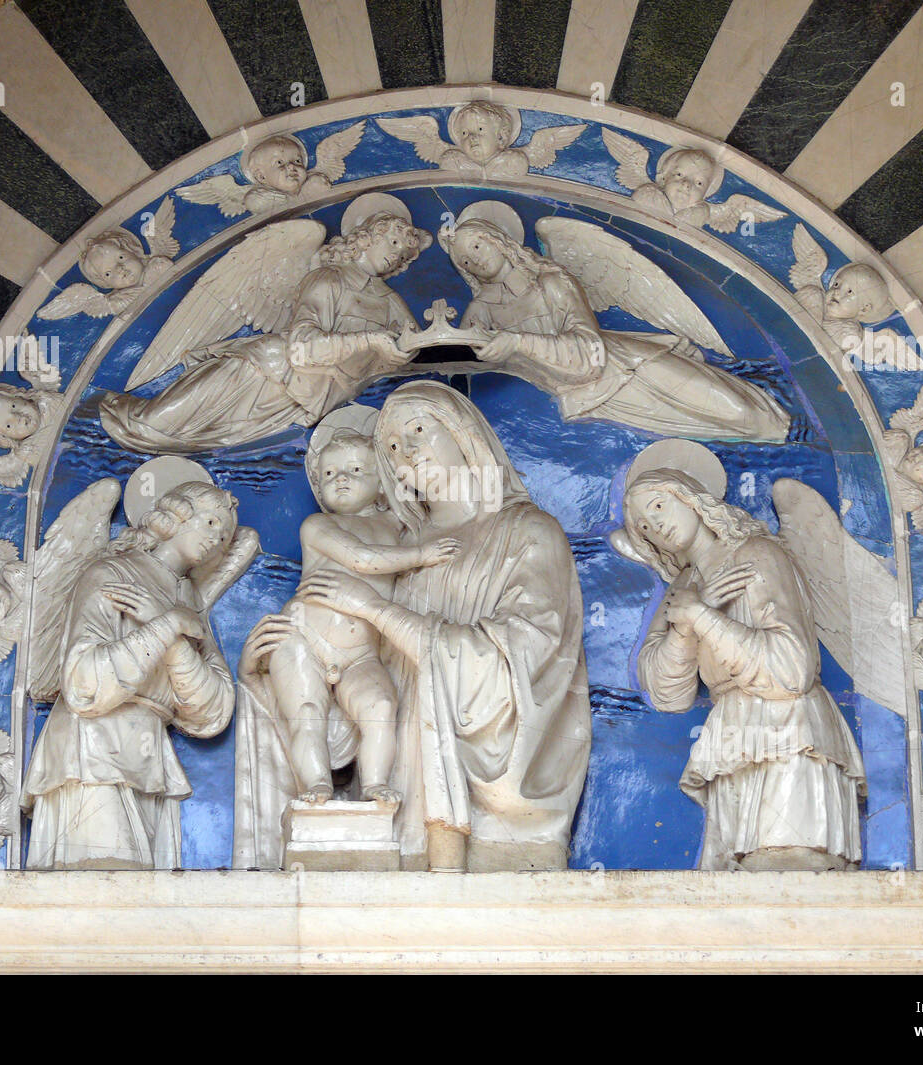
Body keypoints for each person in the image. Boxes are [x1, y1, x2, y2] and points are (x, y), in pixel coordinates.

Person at [237, 382, 592, 872]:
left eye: (420, 431)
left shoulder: (528, 533)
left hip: (488, 810)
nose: (408, 454)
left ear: (463, 433)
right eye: (393, 449)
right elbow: (339, 673)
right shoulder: (395, 548)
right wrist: (259, 672)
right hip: (397, 800)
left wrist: (379, 612)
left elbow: (522, 657)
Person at [619, 445, 866, 871]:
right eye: (643, 526)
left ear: (692, 497)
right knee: (738, 895)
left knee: (789, 879)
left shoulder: (756, 555)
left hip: (789, 735)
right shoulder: (683, 588)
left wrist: (704, 618)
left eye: (659, 505)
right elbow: (667, 694)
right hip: (734, 740)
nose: (655, 524)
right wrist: (685, 624)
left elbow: (793, 670)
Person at [20, 481, 242, 869]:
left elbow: (213, 710)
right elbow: (82, 683)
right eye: (209, 522)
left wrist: (169, 630)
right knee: (100, 887)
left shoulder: (187, 598)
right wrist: (167, 626)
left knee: (139, 901)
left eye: (223, 535)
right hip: (92, 753)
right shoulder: (111, 573)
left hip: (148, 757)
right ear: (176, 516)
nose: (216, 539)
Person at [248, 411, 459, 808]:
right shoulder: (317, 526)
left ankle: (376, 783)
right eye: (328, 475)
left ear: (383, 483)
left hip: (360, 651)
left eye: (355, 469)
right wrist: (421, 555)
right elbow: (362, 560)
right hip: (302, 638)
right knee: (307, 713)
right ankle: (316, 786)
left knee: (380, 705)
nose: (340, 478)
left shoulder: (399, 529)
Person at [98, 208, 432, 454]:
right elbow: (301, 348)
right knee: (157, 424)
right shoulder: (330, 278)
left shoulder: (390, 302)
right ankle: (140, 420)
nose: (396, 254)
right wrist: (371, 341)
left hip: (309, 398)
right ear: (368, 237)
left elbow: (410, 348)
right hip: (268, 370)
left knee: (211, 436)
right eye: (392, 241)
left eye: (403, 252)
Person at [441, 212, 789, 442]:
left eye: (476, 245)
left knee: (744, 412)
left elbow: (589, 355)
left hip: (625, 364)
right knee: (725, 430)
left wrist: (517, 343)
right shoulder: (480, 312)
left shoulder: (551, 283)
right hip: (595, 401)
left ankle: (793, 426)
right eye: (465, 260)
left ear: (499, 240)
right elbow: (463, 368)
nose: (476, 258)